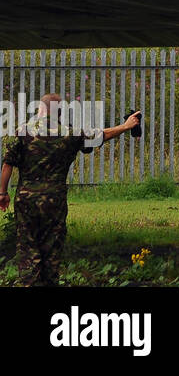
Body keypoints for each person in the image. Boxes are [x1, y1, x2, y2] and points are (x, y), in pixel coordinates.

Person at [0, 94, 139, 286]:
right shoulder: (70, 134)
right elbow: (100, 135)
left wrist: (2, 193)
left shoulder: (22, 131)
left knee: (28, 246)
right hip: (55, 200)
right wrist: (125, 126)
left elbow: (8, 163)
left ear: (40, 109)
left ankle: (29, 282)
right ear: (59, 112)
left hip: (26, 200)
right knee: (52, 249)